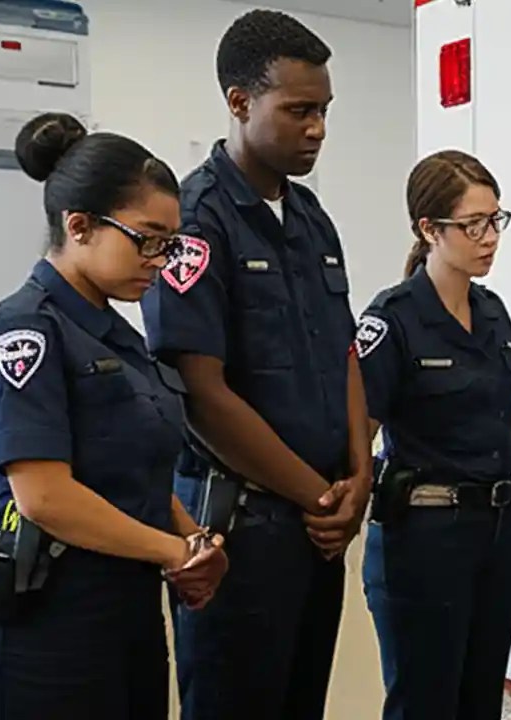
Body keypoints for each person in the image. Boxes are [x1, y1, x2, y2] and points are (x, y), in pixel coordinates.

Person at [0, 112, 228, 719]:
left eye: (171, 242)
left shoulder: (116, 337)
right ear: (78, 226)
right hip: (46, 628)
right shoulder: (25, 331)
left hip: (123, 616)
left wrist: (193, 540)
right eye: (148, 238)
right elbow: (45, 496)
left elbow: (138, 474)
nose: (161, 259)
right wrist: (171, 551)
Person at [139, 9, 374, 720]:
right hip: (244, 527)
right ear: (240, 103)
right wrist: (317, 495)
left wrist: (361, 474)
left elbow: (344, 353)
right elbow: (202, 395)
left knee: (302, 701)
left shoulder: (310, 218)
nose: (318, 129)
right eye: (299, 110)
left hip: (320, 524)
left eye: (325, 111)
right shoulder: (195, 219)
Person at [355, 149, 511, 719]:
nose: (489, 237)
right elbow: (359, 432)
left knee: (481, 699)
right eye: (472, 224)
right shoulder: (395, 317)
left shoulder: (492, 311)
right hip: (425, 535)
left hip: (497, 529)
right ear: (428, 229)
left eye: (495, 220)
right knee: (425, 702)